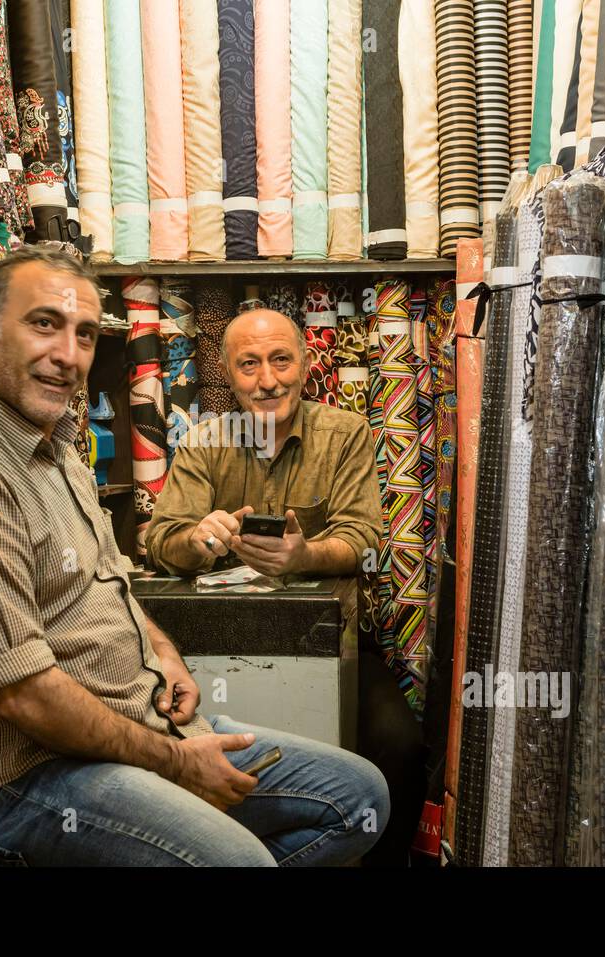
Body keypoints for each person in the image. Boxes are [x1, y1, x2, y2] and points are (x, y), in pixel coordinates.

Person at [0, 246, 388, 866]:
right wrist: (179, 763)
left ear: (305, 365)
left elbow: (110, 580)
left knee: (357, 796)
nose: (68, 355)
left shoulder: (58, 450)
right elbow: (26, 696)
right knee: (241, 862)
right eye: (44, 323)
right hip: (29, 779)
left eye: (86, 334)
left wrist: (163, 649)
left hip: (133, 722)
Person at [145, 307, 428, 867]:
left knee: (401, 746)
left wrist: (306, 554)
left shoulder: (344, 434)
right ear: (226, 372)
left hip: (336, 646)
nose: (267, 380)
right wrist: (198, 539)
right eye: (249, 365)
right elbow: (161, 539)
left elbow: (369, 544)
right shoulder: (205, 441)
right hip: (220, 654)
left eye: (280, 360)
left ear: (304, 364)